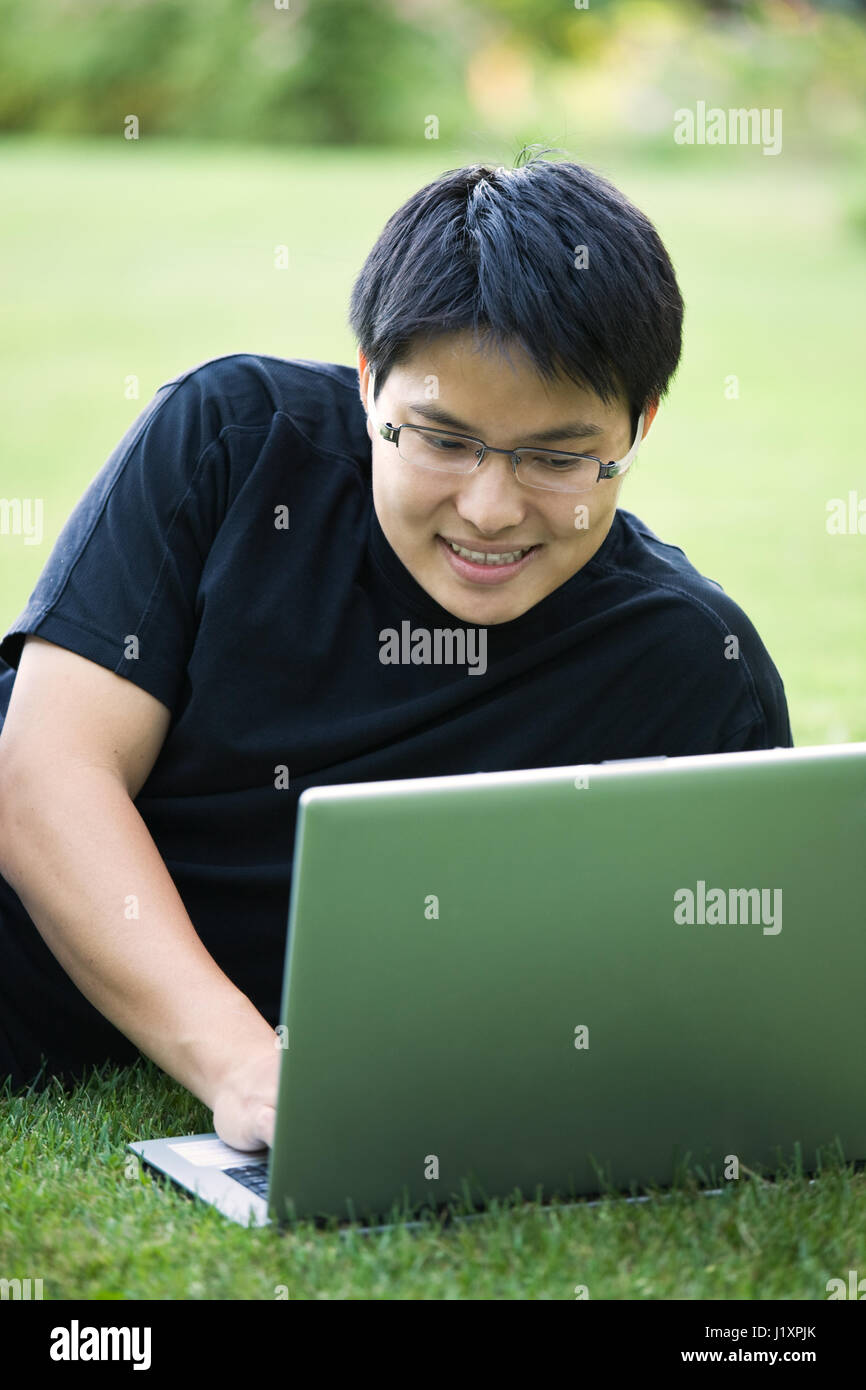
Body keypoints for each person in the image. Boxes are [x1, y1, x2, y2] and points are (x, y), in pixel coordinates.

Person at [0, 151, 793, 1150]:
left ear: (637, 428)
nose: (488, 509)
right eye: (441, 439)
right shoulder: (235, 440)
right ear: (370, 381)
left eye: (556, 458)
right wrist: (244, 1067)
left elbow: (740, 990)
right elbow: (43, 774)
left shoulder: (689, 667)